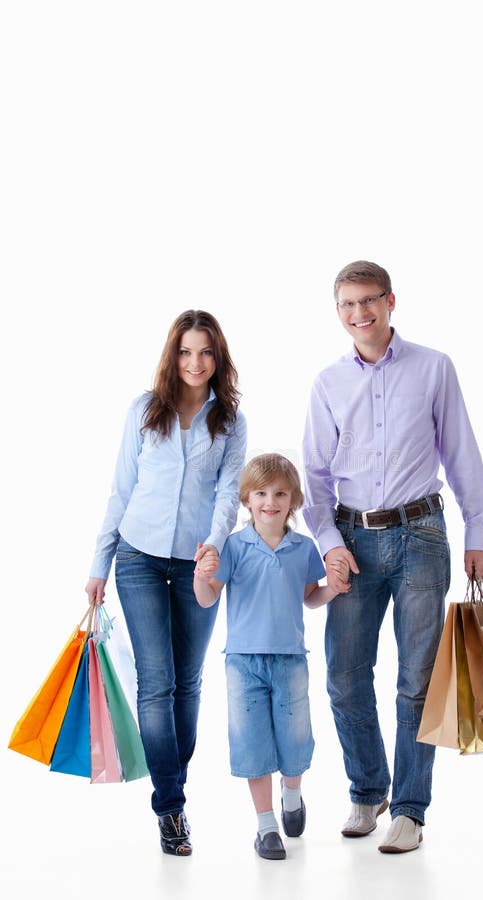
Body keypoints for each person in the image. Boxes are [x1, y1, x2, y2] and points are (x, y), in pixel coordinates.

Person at [302, 260, 483, 854]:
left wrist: (477, 531)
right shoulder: (328, 383)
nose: (359, 312)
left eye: (369, 300)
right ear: (338, 311)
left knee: (417, 681)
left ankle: (410, 809)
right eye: (348, 303)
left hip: (421, 536)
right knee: (344, 677)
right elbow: (314, 476)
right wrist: (330, 545)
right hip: (351, 542)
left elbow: (461, 451)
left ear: (390, 301)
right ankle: (368, 791)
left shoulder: (434, 368)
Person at [85, 310, 247, 856]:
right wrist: (99, 565)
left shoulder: (230, 421)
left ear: (217, 357)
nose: (195, 362)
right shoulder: (144, 410)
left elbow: (229, 492)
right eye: (185, 351)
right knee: (157, 683)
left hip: (199, 563)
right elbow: (121, 488)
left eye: (205, 352)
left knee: (188, 682)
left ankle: (171, 779)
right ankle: (171, 807)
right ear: (172, 355)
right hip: (139, 558)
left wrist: (215, 542)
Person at [193, 453, 339, 860]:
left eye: (279, 493)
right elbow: (207, 599)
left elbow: (310, 596)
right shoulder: (233, 547)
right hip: (243, 663)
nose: (270, 502)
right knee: (251, 742)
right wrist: (200, 577)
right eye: (260, 493)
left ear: (293, 500)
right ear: (246, 499)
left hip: (290, 660)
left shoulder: (303, 548)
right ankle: (266, 826)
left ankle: (292, 794)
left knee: (295, 738)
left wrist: (332, 589)